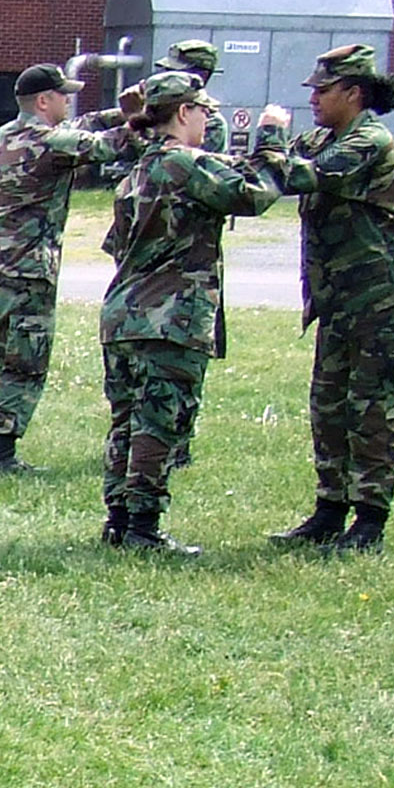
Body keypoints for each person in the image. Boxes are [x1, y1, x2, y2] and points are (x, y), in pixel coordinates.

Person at [254, 43, 394, 555]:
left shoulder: (368, 141)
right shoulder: (324, 138)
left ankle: (370, 521)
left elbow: (300, 174)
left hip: (384, 297)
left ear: (353, 93)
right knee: (329, 406)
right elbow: (269, 169)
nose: (313, 99)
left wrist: (270, 133)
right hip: (340, 298)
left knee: (371, 408)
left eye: (323, 90)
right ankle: (329, 510)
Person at [94, 69, 284, 553]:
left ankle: (118, 519)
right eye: (203, 112)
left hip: (125, 315)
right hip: (171, 317)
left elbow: (117, 245)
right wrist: (271, 140)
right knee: (160, 424)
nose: (206, 121)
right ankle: (143, 528)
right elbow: (253, 194)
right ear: (184, 112)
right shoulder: (184, 163)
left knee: (127, 421)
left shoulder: (137, 171)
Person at [0, 62, 132, 475]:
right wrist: (148, 117)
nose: (68, 102)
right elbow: (109, 145)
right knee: (24, 360)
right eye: (63, 95)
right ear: (44, 101)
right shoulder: (51, 142)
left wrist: (119, 111)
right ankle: (1, 454)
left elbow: (83, 126)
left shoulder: (9, 133)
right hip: (27, 269)